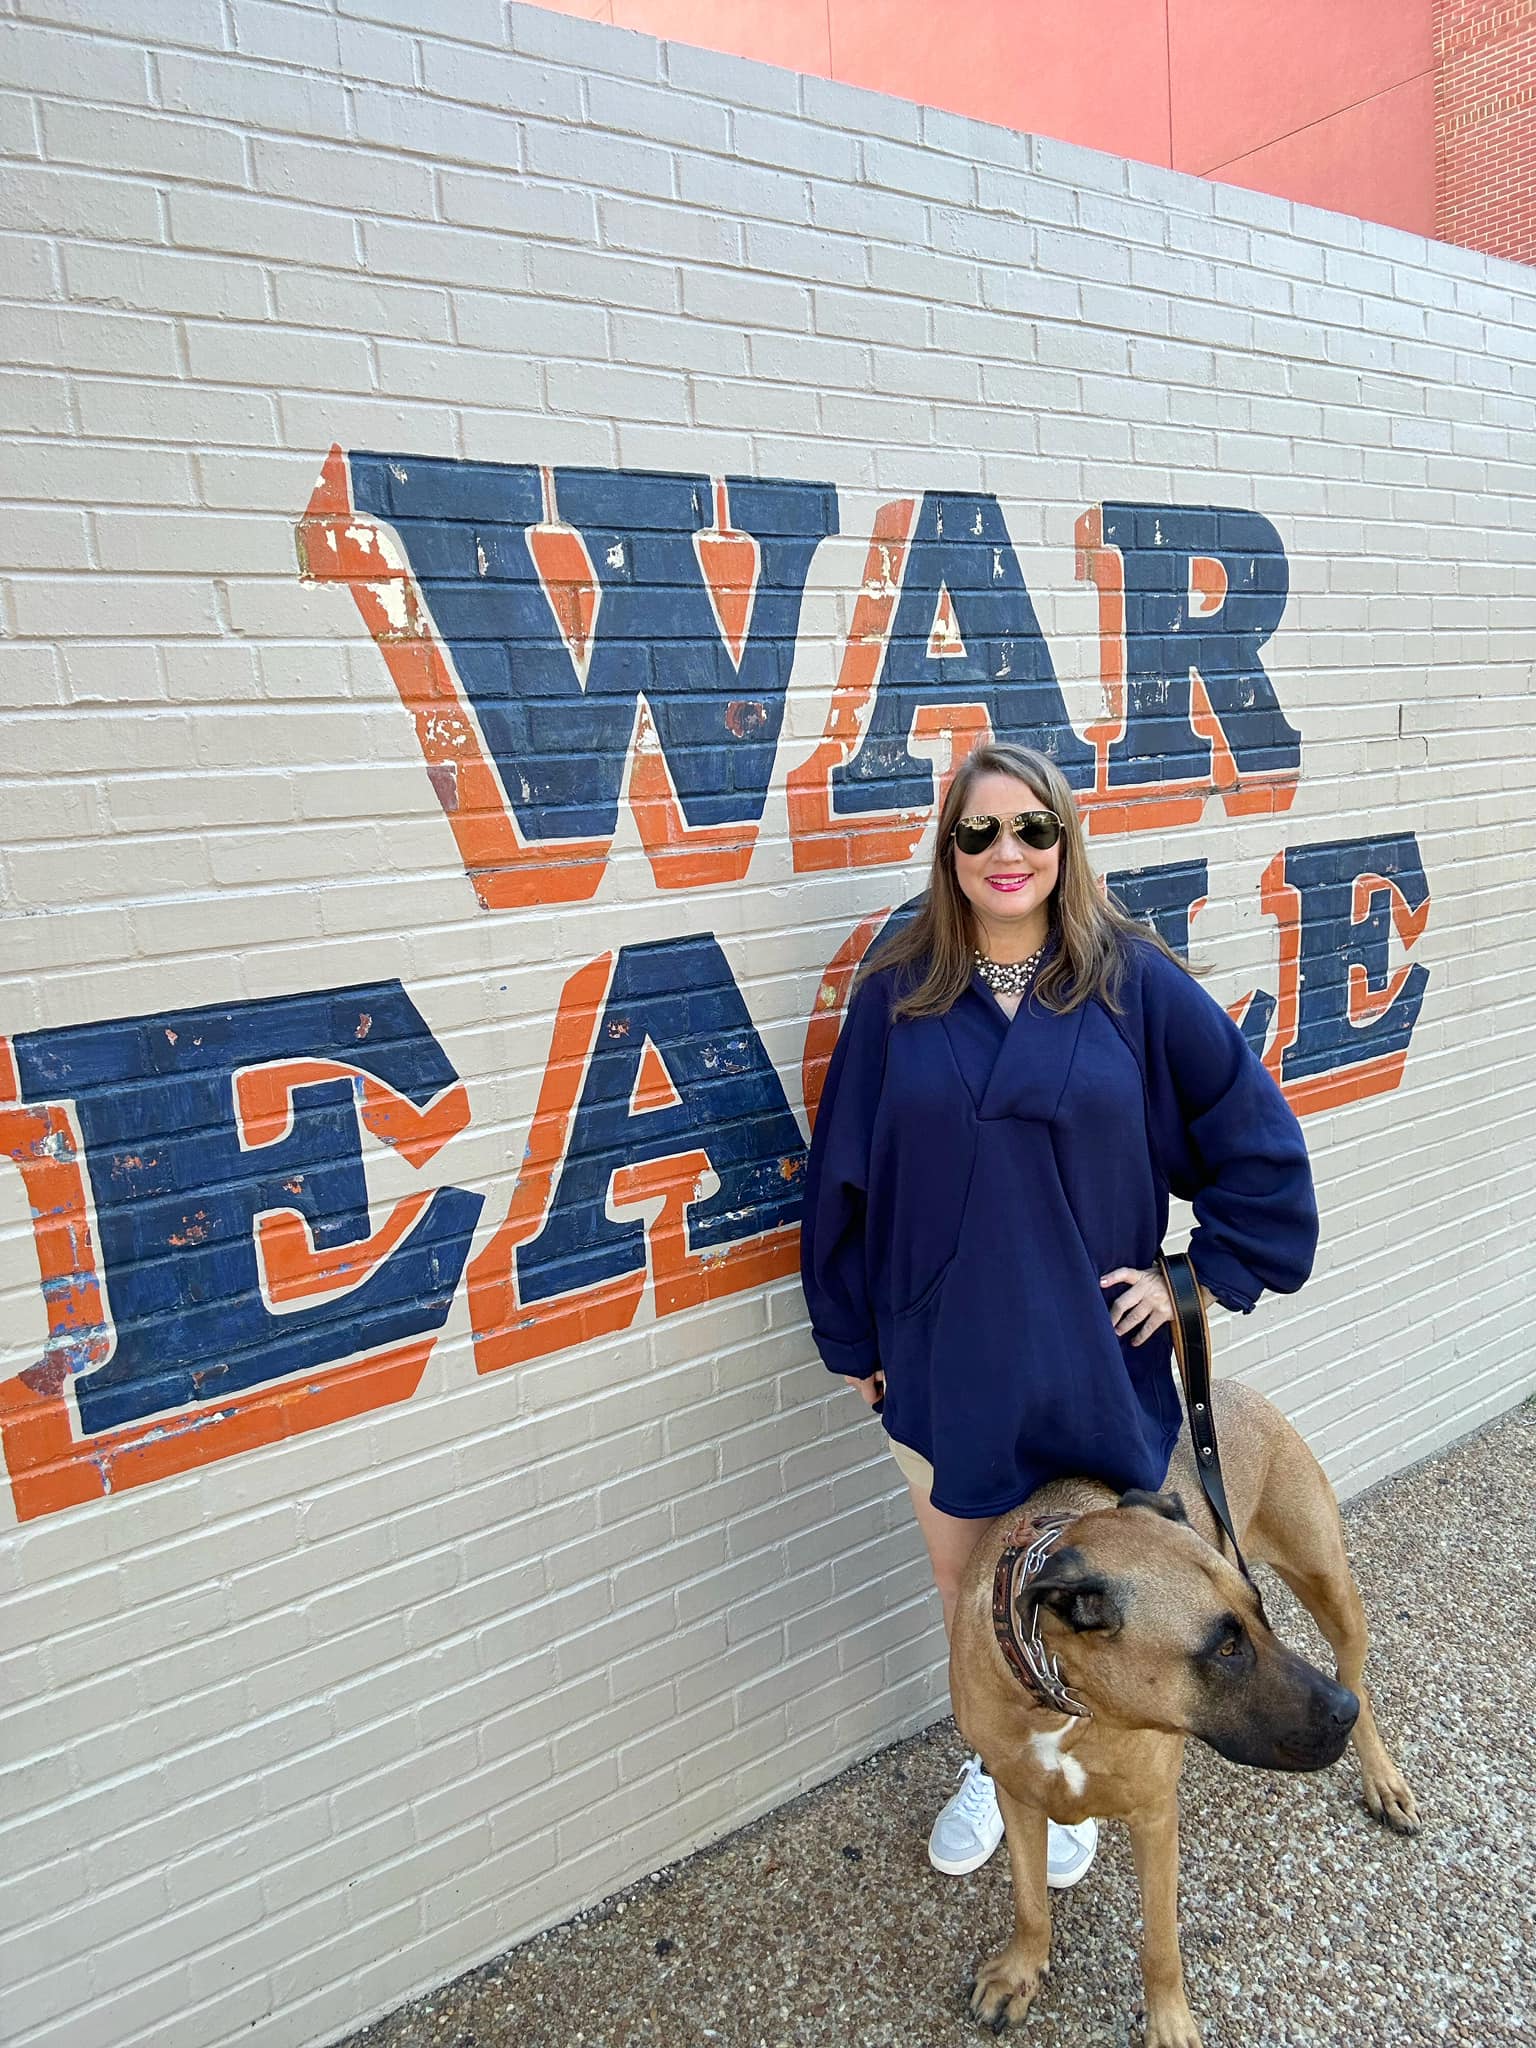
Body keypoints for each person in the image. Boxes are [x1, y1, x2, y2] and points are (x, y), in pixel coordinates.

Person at [799, 742, 1318, 1885]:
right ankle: (999, 1759)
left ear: (1066, 838)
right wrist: (854, 1334)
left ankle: (1077, 1771)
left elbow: (1257, 1138)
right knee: (970, 1592)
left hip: (1093, 1366)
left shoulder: (1131, 981)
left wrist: (1193, 1278)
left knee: (1099, 1605)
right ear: (949, 848)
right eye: (979, 830)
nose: (1008, 850)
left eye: (1032, 827)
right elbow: (843, 1171)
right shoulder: (900, 990)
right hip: (946, 1360)